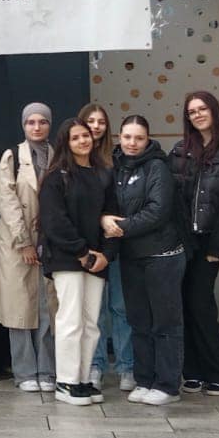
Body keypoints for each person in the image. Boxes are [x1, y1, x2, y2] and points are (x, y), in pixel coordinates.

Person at [167, 91, 219, 396]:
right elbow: (173, 199)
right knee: (182, 304)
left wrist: (217, 248)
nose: (197, 115)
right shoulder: (179, 150)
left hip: (210, 241)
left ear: (214, 110)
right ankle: (193, 371)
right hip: (181, 240)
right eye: (191, 111)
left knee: (200, 304)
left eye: (202, 109)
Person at [102, 115, 185, 406]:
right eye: (127, 137)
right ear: (119, 138)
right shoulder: (115, 167)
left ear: (148, 138)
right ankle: (145, 379)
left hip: (161, 255)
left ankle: (168, 385)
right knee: (139, 321)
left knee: (165, 322)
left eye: (138, 138)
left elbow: (158, 211)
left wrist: (120, 227)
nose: (132, 143)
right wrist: (105, 219)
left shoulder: (157, 167)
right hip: (131, 256)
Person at [39, 117, 119, 408]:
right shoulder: (55, 177)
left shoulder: (103, 174)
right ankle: (67, 382)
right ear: (65, 143)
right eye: (75, 137)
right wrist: (82, 252)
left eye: (85, 135)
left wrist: (106, 254)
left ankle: (83, 380)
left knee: (91, 323)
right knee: (70, 321)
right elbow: (54, 221)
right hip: (68, 259)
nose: (83, 141)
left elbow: (112, 216)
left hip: (97, 260)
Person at [0, 102, 57, 392]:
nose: (37, 127)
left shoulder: (58, 156)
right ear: (23, 125)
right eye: (31, 122)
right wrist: (24, 242)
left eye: (42, 121)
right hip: (16, 243)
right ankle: (24, 371)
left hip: (49, 241)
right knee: (19, 309)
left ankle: (47, 370)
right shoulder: (12, 156)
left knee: (46, 306)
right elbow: (7, 201)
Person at [79, 102, 135, 393]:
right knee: (95, 310)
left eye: (101, 121)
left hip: (118, 241)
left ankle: (126, 367)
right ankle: (96, 364)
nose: (96, 126)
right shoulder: (75, 160)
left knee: (121, 307)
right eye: (91, 120)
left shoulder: (118, 158)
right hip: (89, 245)